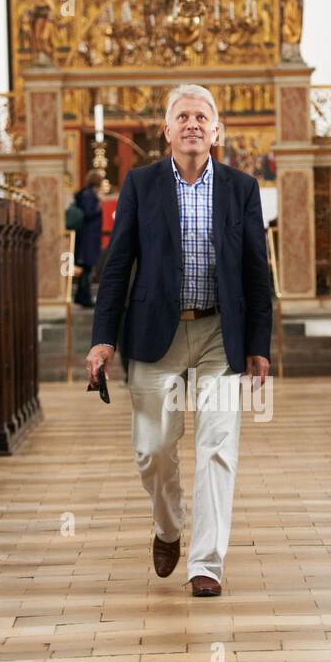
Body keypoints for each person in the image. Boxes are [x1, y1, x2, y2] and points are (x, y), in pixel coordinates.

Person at [85, 84, 272, 597]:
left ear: (216, 131)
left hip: (219, 333)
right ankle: (168, 526)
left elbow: (257, 271)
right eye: (182, 116)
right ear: (166, 131)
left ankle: (206, 563)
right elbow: (118, 264)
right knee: (153, 449)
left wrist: (259, 344)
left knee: (217, 446)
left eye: (202, 116)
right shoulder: (141, 185)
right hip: (154, 334)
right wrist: (103, 339)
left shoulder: (241, 188)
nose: (192, 124)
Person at [73, 169, 104, 308]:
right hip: (88, 238)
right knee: (86, 267)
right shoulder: (88, 195)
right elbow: (89, 212)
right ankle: (84, 298)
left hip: (87, 237)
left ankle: (81, 296)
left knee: (86, 268)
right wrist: (98, 206)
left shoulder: (87, 194)